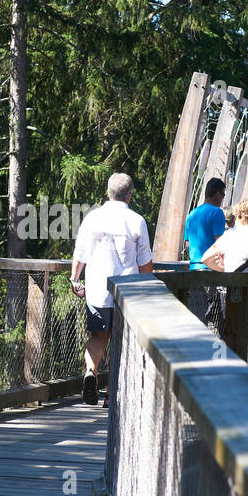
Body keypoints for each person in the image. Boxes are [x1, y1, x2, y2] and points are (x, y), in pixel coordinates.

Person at [70, 173, 153, 406]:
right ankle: (111, 396)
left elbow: (81, 253)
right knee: (123, 341)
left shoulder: (92, 218)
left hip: (97, 289)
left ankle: (90, 371)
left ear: (108, 192)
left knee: (98, 337)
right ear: (130, 195)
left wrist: (75, 279)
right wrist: (148, 286)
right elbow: (145, 260)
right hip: (127, 291)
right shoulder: (137, 220)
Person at [201, 199, 248, 369]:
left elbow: (206, 258)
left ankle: (230, 379)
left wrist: (225, 268)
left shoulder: (230, 236)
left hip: (231, 294)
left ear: (242, 216)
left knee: (231, 338)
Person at [182, 177, 228, 335]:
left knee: (197, 314)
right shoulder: (217, 212)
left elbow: (187, 245)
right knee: (215, 318)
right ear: (216, 194)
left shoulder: (192, 214)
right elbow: (220, 244)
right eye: (223, 194)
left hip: (194, 270)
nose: (222, 199)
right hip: (211, 271)